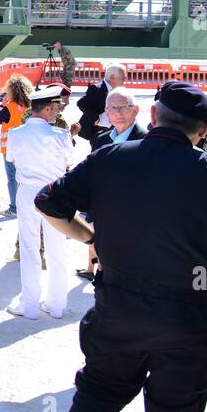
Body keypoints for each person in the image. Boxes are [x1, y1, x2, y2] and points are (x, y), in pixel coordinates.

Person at [35, 81, 207, 412]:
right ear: (203, 131)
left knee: (96, 408)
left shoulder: (108, 159)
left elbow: (49, 203)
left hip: (118, 315)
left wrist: (91, 240)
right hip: (189, 325)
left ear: (152, 116)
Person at [4, 87, 75, 321]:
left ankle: (30, 304)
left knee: (30, 247)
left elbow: (11, 159)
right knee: (57, 249)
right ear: (46, 109)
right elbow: (69, 162)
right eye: (55, 108)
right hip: (54, 192)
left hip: (28, 193)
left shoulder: (15, 134)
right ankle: (56, 305)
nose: (57, 112)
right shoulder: (61, 135)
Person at [77, 89, 147, 280]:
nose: (118, 113)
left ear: (136, 110)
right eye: (113, 108)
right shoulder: (101, 139)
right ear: (106, 113)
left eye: (124, 107)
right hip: (103, 214)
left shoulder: (147, 140)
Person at [0, 73, 33, 216]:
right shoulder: (31, 105)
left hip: (10, 148)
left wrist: (2, 104)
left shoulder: (8, 107)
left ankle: (14, 208)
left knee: (12, 178)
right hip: (29, 146)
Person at [76, 63, 127, 147]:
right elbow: (81, 103)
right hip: (97, 131)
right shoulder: (96, 89)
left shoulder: (119, 90)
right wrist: (96, 119)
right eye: (122, 78)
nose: (124, 81)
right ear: (112, 78)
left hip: (113, 130)